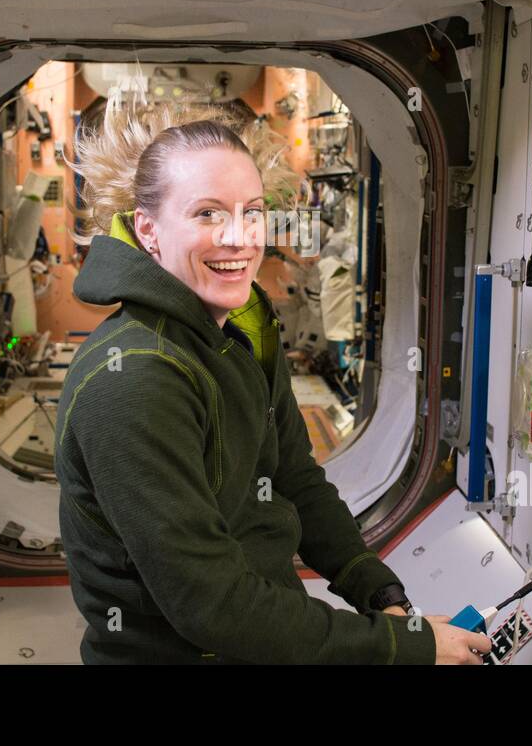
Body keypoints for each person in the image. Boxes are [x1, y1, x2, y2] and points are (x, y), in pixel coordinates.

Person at [56, 103, 492, 664]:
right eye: (208, 214)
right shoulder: (133, 378)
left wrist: (370, 584)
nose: (239, 238)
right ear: (148, 230)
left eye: (253, 212)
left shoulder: (241, 329)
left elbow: (291, 477)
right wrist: (399, 647)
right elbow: (212, 605)